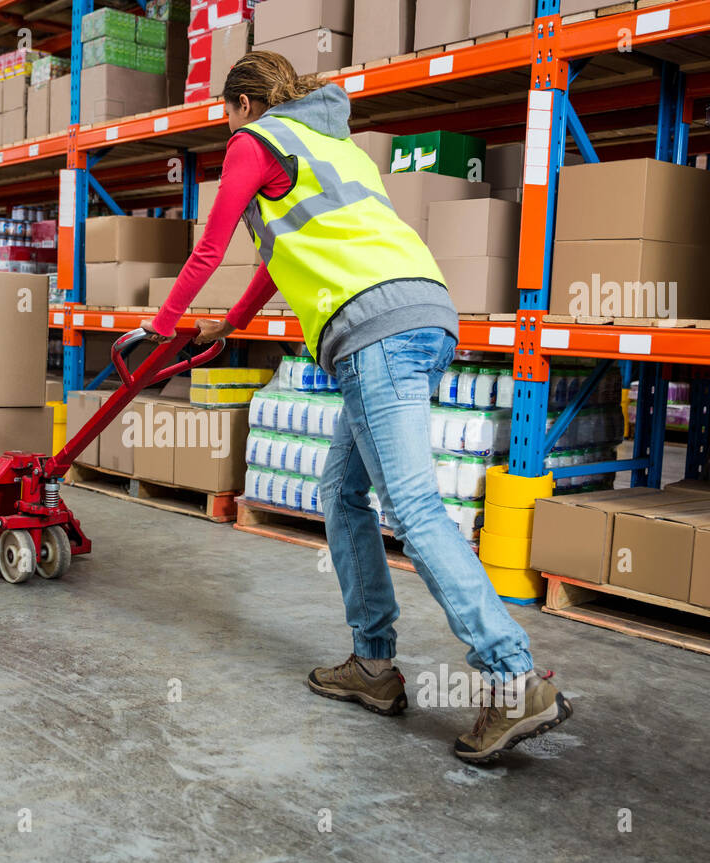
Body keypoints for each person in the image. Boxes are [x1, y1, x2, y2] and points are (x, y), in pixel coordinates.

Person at [141, 51, 571, 763]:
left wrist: (164, 325)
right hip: (421, 313)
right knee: (342, 494)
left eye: (226, 114)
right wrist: (231, 324)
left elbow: (212, 243)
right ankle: (374, 667)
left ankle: (512, 677)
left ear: (244, 104)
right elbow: (288, 255)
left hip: (376, 334)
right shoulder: (335, 148)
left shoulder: (256, 141)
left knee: (413, 508)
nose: (226, 130)